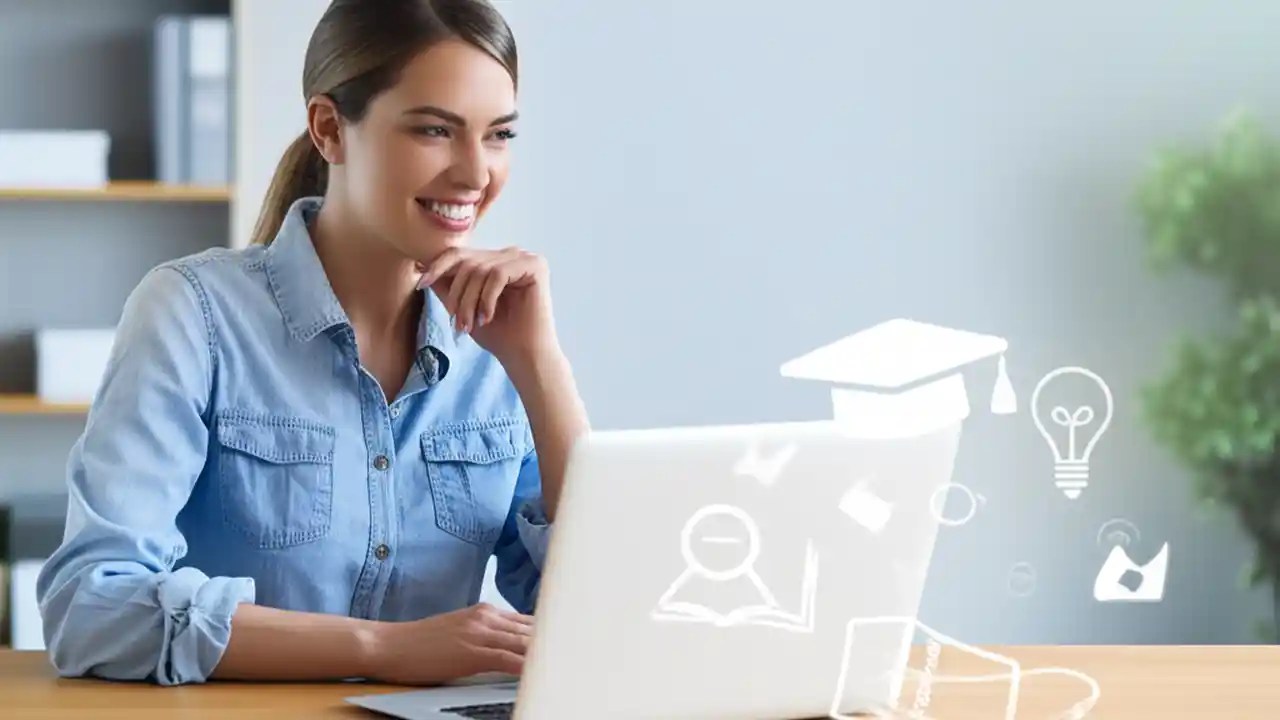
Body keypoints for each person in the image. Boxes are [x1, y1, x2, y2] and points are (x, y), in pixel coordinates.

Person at [35, 0, 589, 687]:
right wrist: (382, 648)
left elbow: (604, 614)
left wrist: (541, 367)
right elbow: (90, 604)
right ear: (330, 128)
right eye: (434, 131)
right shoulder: (195, 315)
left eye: (499, 135)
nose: (476, 173)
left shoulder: (500, 342)